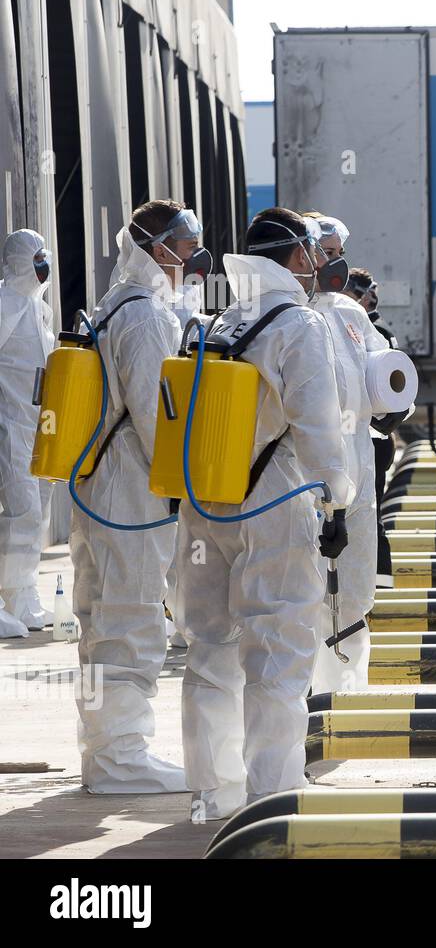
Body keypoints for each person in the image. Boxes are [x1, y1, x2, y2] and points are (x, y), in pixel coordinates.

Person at [178, 208, 354, 819]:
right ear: (298, 255)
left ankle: (212, 792)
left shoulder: (225, 316)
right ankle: (272, 794)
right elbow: (316, 421)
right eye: (311, 250)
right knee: (279, 645)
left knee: (211, 646)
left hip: (206, 501)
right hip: (273, 501)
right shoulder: (297, 323)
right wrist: (337, 494)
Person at [69, 201, 203, 793]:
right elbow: (156, 416)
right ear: (158, 248)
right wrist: (189, 487)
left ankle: (103, 753)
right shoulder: (146, 316)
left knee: (98, 625)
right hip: (131, 494)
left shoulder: (114, 302)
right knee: (131, 620)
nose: (194, 257)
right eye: (186, 244)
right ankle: (122, 760)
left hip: (98, 488)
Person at [301, 213, 400, 692]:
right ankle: (301, 700)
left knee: (355, 587)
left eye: (339, 252)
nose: (335, 263)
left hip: (356, 467)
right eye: (327, 252)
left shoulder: (349, 314)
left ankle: (344, 692)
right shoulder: (279, 313)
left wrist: (393, 401)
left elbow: (382, 372)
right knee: (302, 589)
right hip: (299, 476)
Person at [0, 230, 56, 636]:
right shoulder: (3, 304)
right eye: (36, 260)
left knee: (37, 510)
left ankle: (21, 591)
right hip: (9, 423)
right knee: (22, 511)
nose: (43, 268)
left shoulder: (40, 308)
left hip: (38, 423)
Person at [346, 266, 399, 590]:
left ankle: (378, 585)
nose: (368, 298)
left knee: (368, 514)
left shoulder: (375, 334)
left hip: (372, 437)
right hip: (352, 436)